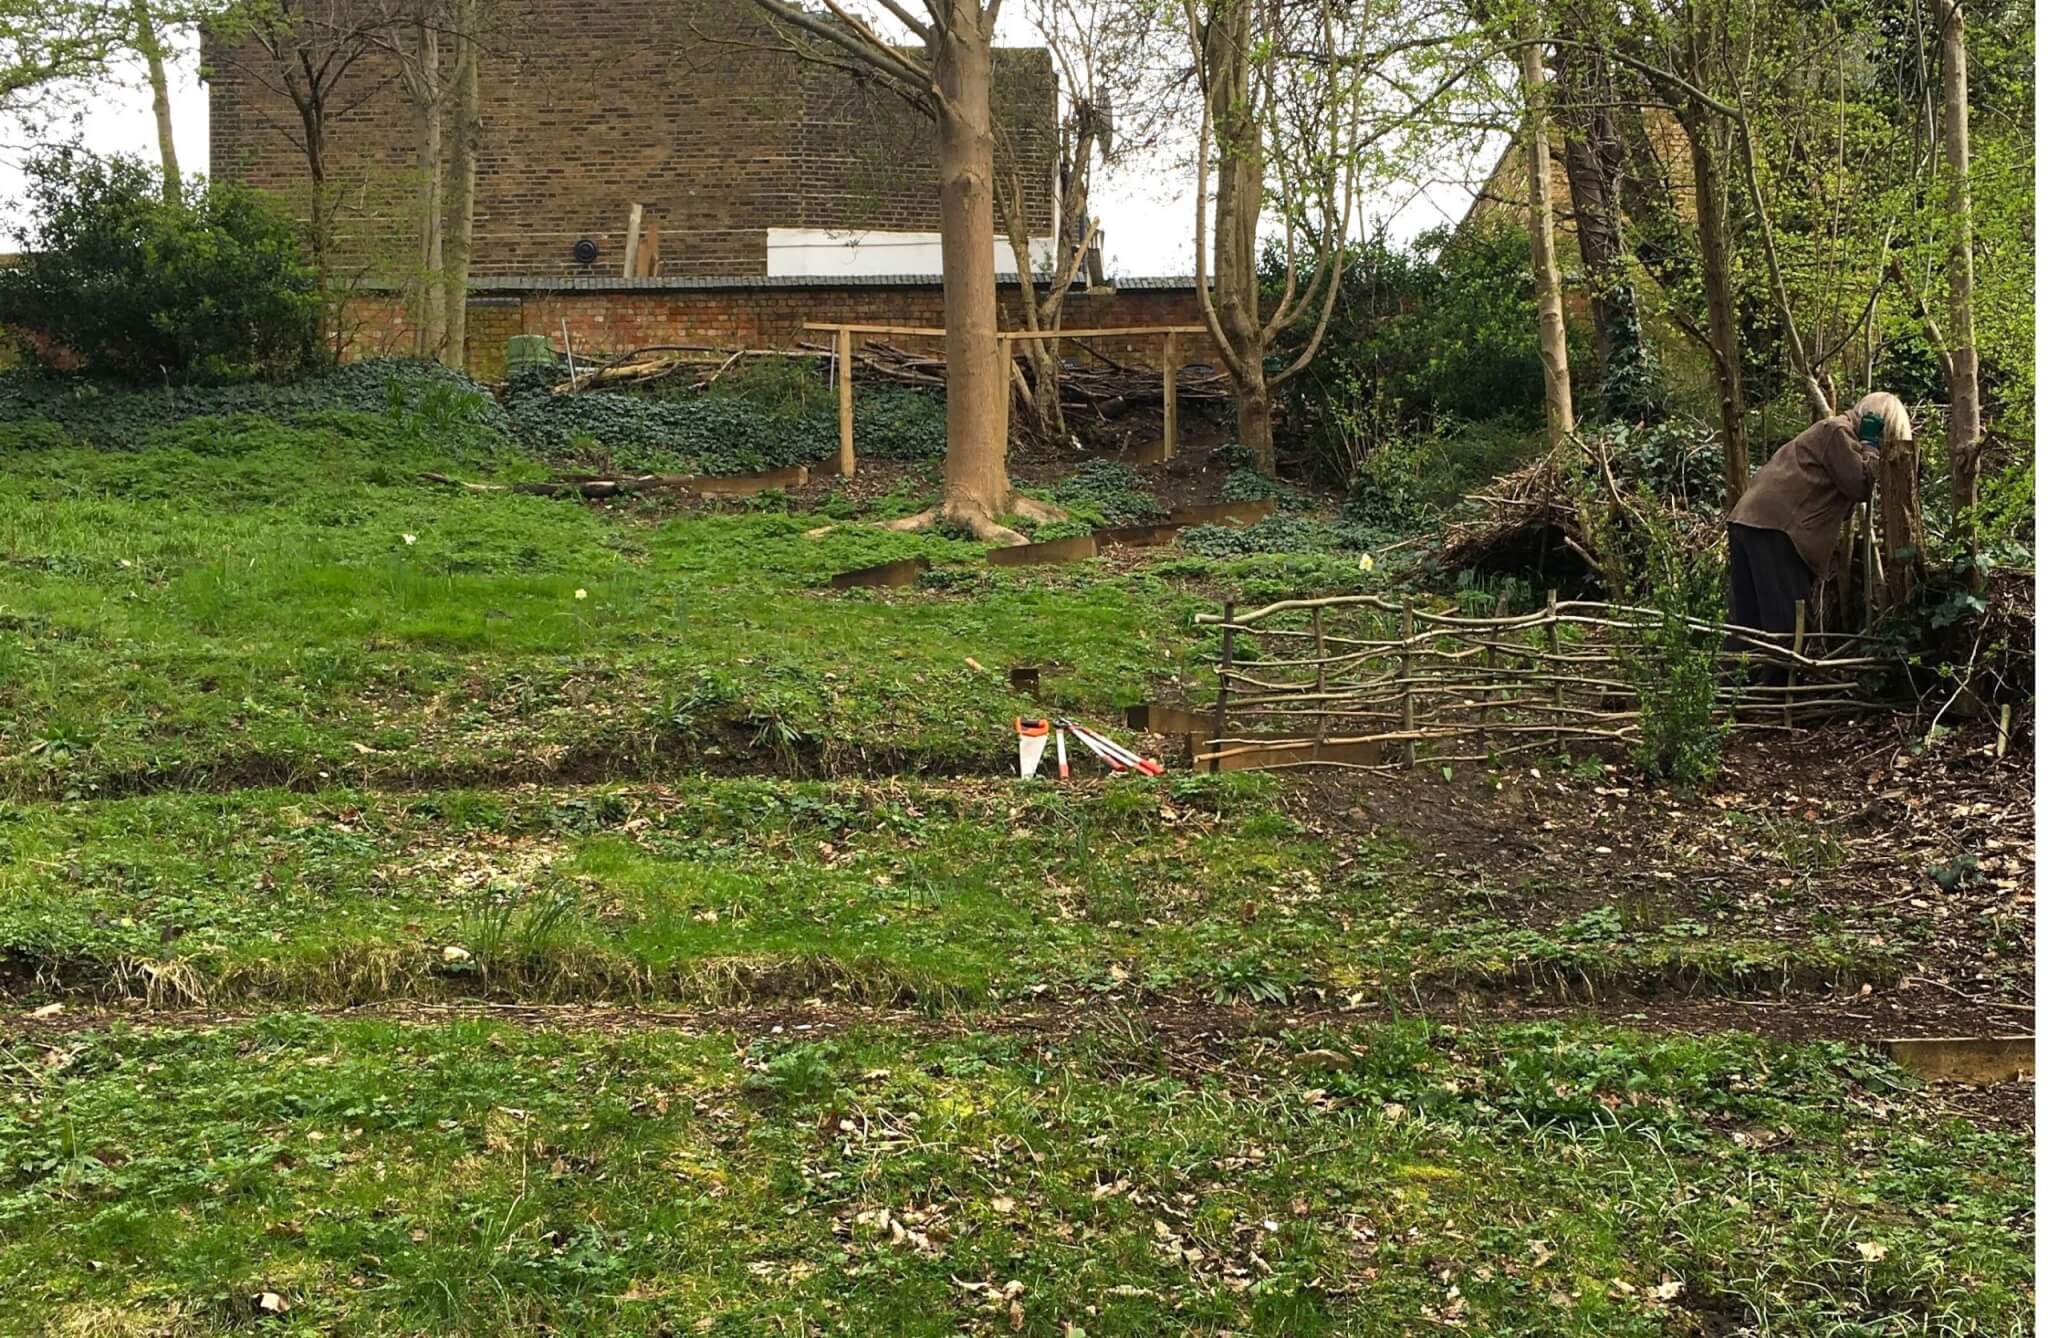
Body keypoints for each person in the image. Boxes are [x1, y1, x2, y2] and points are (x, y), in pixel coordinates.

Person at [1726, 390, 1910, 638]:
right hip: (1778, 528)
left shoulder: (1832, 433)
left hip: (1749, 520)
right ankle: (1780, 665)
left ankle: (1741, 664)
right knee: (1787, 626)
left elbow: (1841, 503)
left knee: (1748, 623)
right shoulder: (1839, 432)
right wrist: (1870, 448)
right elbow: (1859, 487)